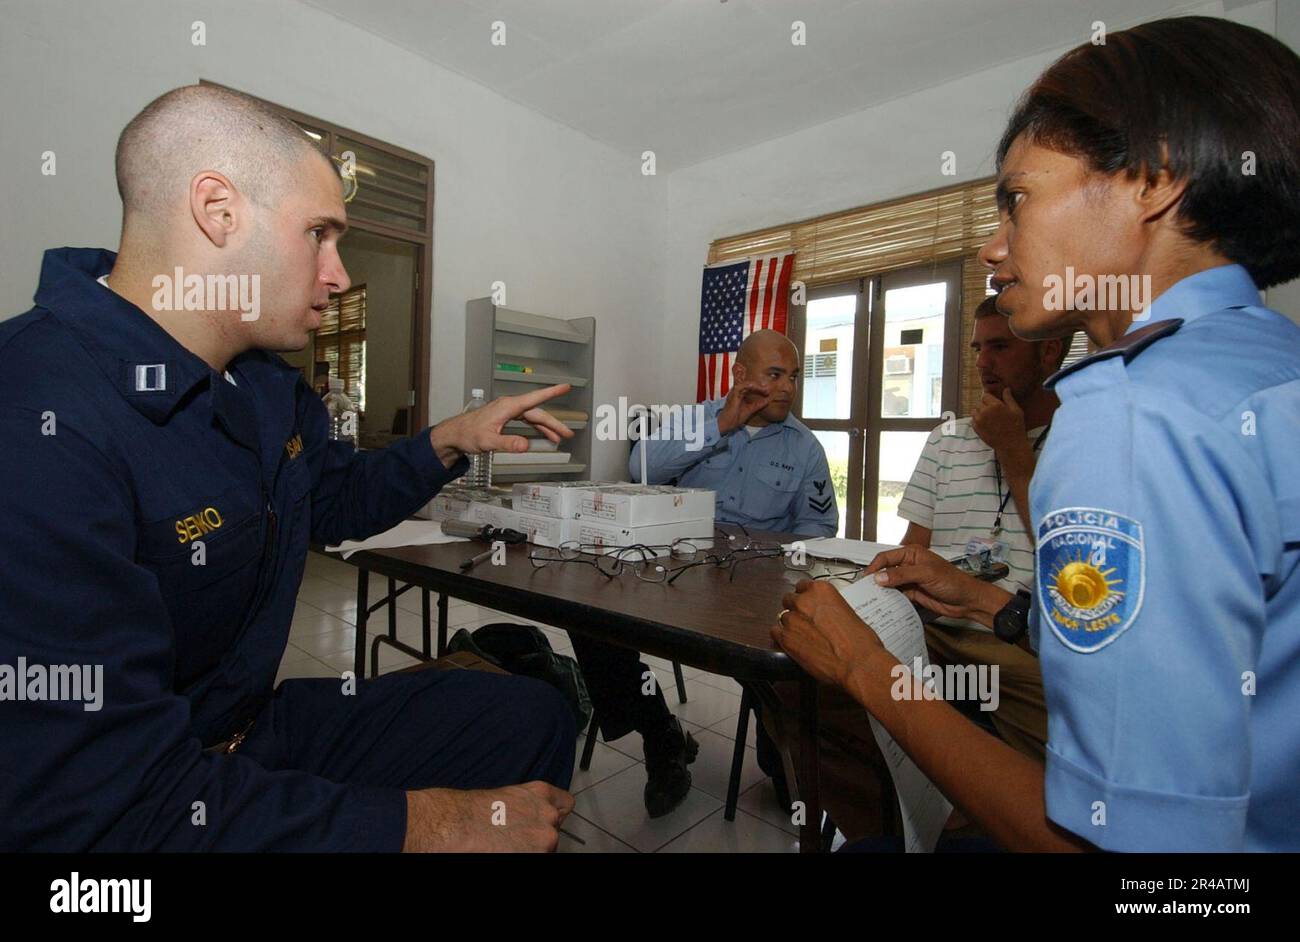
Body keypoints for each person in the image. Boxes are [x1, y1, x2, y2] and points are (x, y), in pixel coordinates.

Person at [0, 85, 579, 852]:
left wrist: (451, 439)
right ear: (217, 210)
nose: (337, 276)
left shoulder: (267, 386)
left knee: (529, 712)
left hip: (241, 726)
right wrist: (426, 826)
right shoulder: (40, 409)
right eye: (320, 234)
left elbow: (336, 500)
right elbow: (99, 808)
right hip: (138, 796)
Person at [774, 16, 1300, 851]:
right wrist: (993, 605)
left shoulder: (1129, 416)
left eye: (1017, 198)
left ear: (1153, 178)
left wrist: (867, 671)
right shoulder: (1267, 362)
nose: (992, 245)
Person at [564, 329, 838, 818]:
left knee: (786, 654)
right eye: (775, 375)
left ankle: (779, 751)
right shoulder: (693, 420)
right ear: (740, 375)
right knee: (591, 617)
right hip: (674, 571)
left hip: (752, 585)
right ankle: (660, 735)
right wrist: (722, 425)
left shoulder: (804, 447)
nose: (788, 388)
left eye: (793, 377)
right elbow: (640, 467)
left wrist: (773, 568)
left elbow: (818, 534)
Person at [898, 294, 1067, 759]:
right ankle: (923, 820)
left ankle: (971, 812)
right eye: (976, 349)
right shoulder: (947, 440)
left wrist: (1015, 450)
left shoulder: (1084, 439)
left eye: (1000, 348)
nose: (983, 363)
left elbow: (1070, 563)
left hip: (1020, 643)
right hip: (937, 634)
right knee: (812, 669)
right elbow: (914, 552)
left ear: (1048, 350)